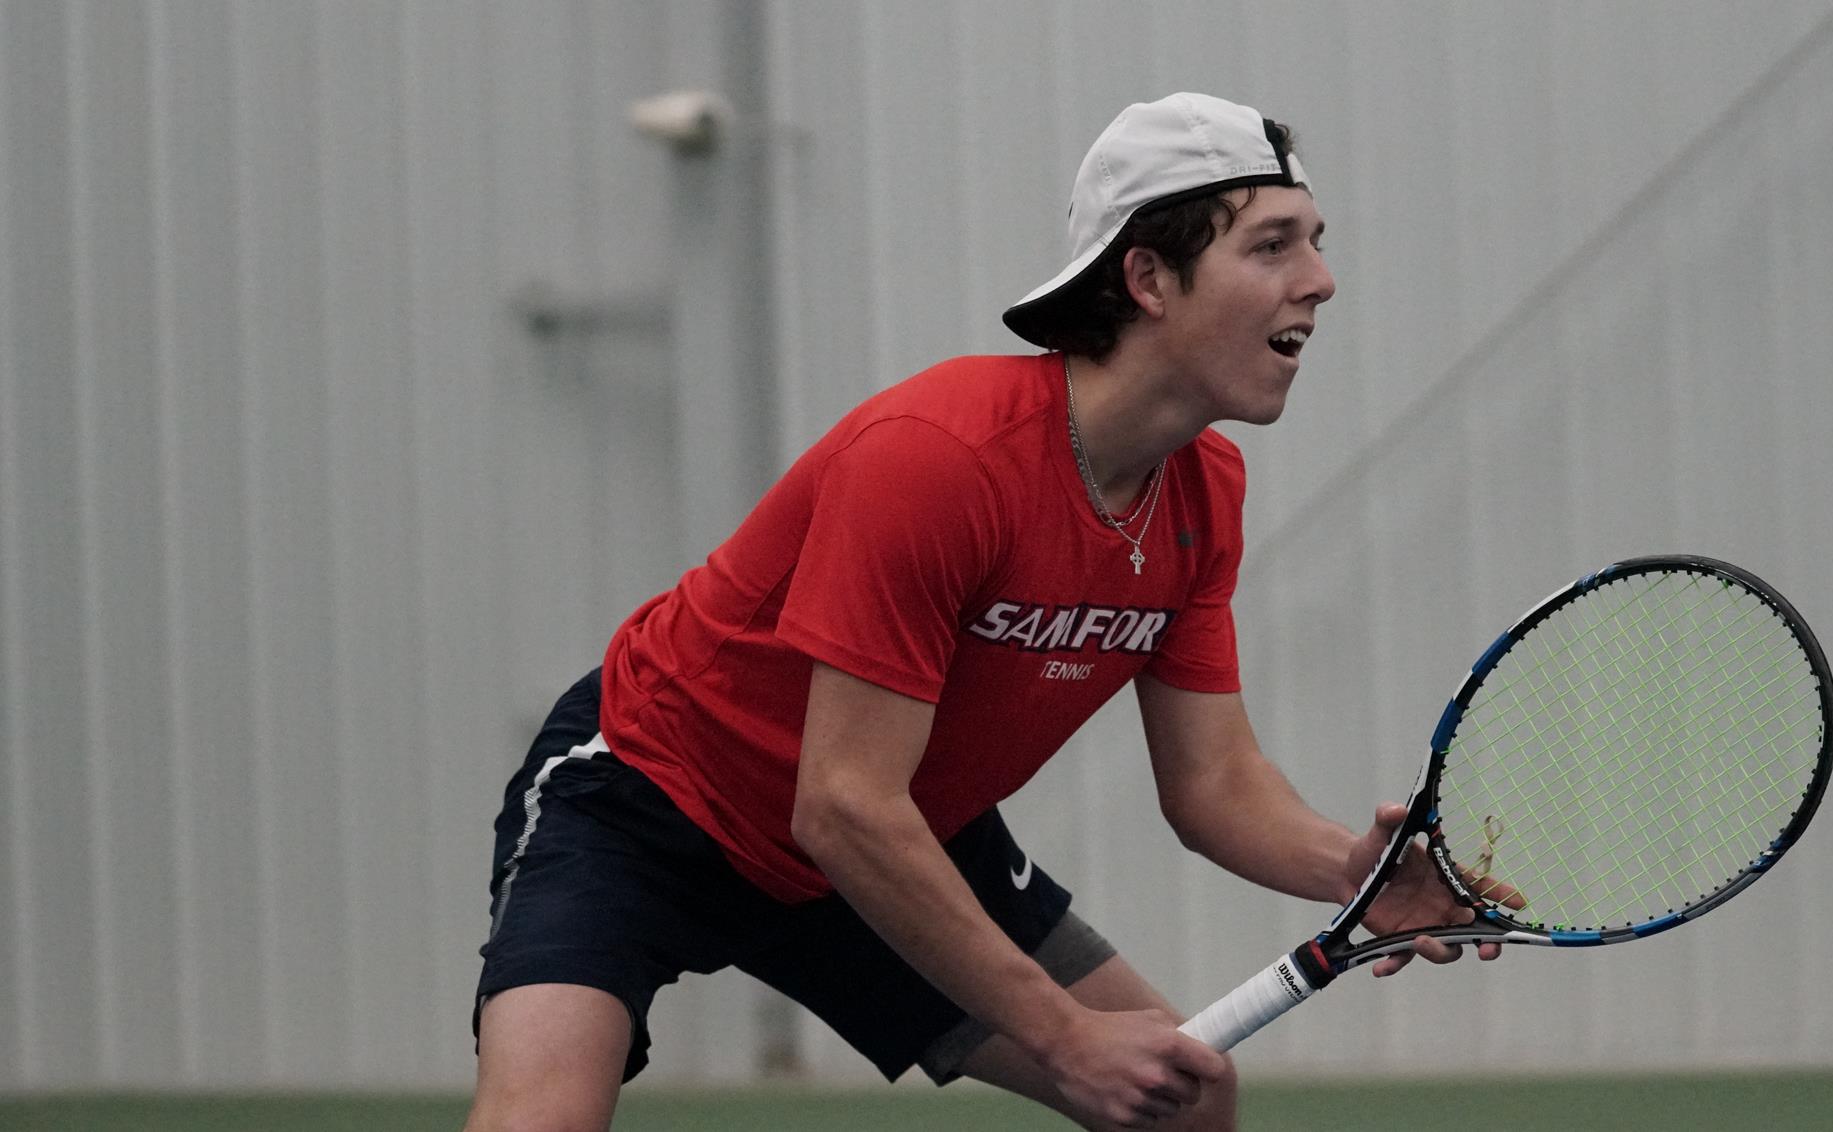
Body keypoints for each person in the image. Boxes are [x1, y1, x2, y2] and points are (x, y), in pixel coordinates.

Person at [464, 91, 1500, 1132]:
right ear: (1145, 276)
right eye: (1272, 245)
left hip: (893, 831)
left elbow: (1214, 784)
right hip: (650, 800)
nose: (1318, 280)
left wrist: (1349, 872)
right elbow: (840, 803)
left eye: (1312, 244)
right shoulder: (939, 458)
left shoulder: (1200, 493)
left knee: (1181, 1102)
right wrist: (1059, 1030)